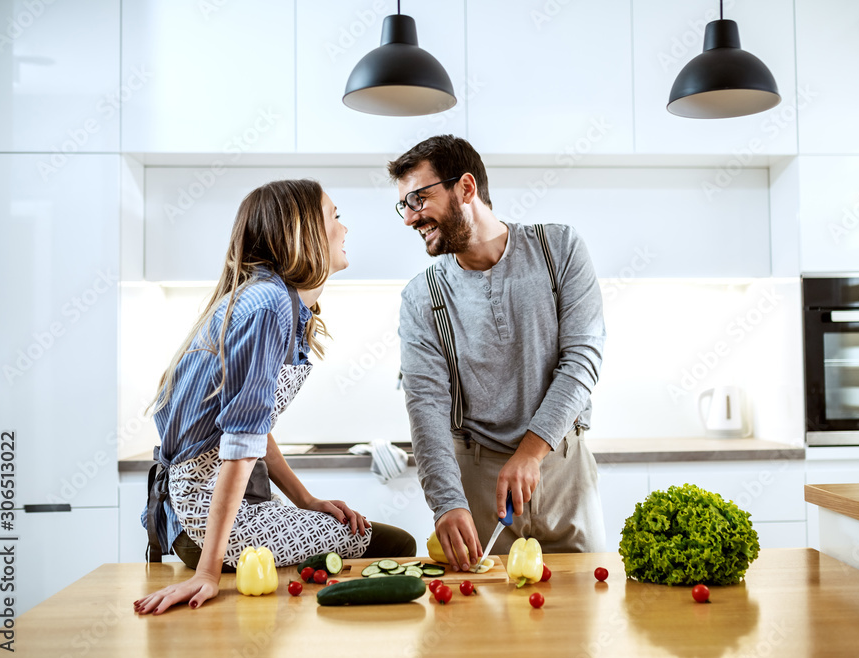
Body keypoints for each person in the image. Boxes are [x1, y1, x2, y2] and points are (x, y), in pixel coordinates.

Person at [136, 179, 415, 615]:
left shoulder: (270, 299)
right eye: (335, 216)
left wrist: (307, 501)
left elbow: (252, 430)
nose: (345, 229)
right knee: (396, 544)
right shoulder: (269, 305)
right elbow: (241, 444)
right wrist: (207, 573)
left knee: (372, 542)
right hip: (202, 517)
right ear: (304, 232)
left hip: (203, 512)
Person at [391, 135, 606, 571]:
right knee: (486, 628)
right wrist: (447, 502)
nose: (410, 217)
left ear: (466, 188)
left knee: (584, 613)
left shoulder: (559, 249)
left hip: (564, 469)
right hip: (478, 479)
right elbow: (426, 405)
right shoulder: (422, 296)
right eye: (404, 205)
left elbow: (582, 358)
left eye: (418, 198)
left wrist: (531, 451)